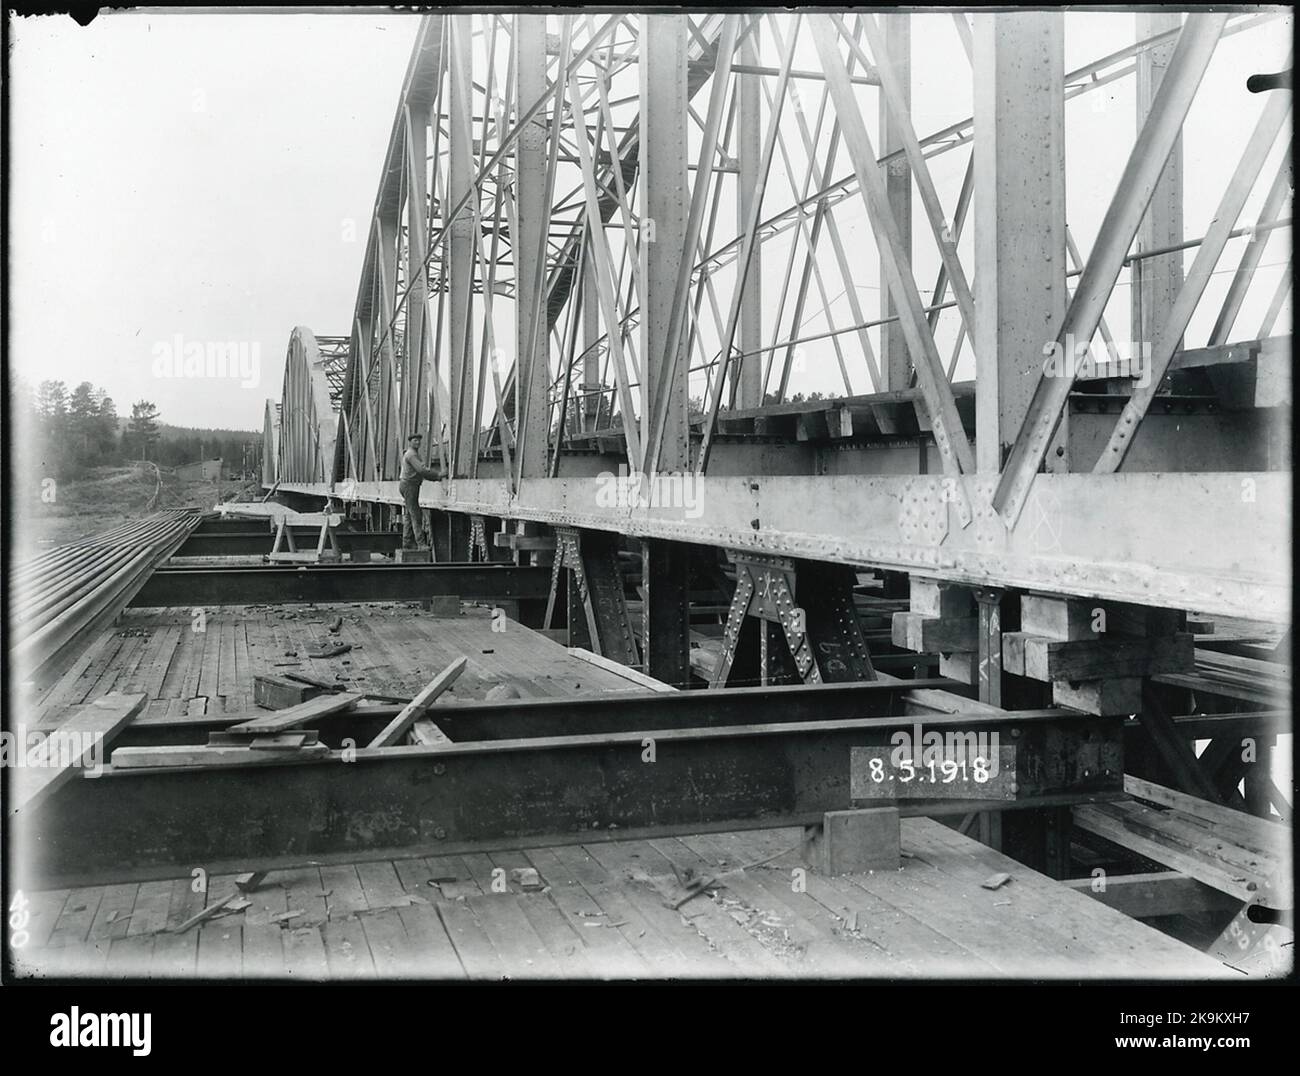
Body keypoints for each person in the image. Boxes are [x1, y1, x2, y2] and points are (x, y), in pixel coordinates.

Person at [399, 433, 443, 549]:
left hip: (409, 486)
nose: (417, 442)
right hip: (410, 486)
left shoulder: (412, 454)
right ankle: (421, 544)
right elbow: (422, 470)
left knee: (409, 515)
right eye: (415, 440)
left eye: (418, 440)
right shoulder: (411, 455)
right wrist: (438, 475)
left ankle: (407, 542)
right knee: (416, 515)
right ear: (410, 442)